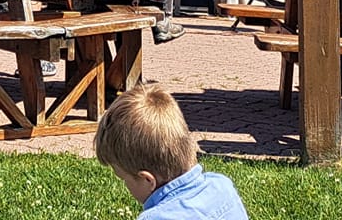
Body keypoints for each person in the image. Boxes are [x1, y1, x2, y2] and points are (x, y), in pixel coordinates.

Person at [94, 83, 250, 220]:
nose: (125, 186)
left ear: (148, 180)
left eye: (123, 179)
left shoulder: (155, 217)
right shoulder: (222, 186)